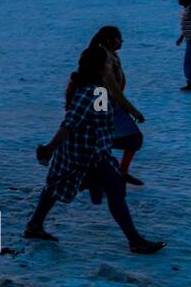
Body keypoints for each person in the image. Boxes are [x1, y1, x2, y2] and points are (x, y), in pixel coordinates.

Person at [25, 46, 165, 255]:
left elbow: (100, 121)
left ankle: (35, 225)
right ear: (100, 67)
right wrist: (49, 148)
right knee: (114, 189)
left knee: (57, 185)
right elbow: (69, 124)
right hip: (84, 153)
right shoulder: (89, 92)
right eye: (109, 63)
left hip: (91, 151)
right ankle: (135, 241)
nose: (112, 65)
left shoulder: (98, 91)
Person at [89, 26, 145, 185]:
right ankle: (112, 172)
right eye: (119, 38)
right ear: (109, 40)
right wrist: (132, 110)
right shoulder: (105, 58)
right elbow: (111, 88)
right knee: (126, 138)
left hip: (112, 103)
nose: (122, 41)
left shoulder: (112, 56)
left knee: (110, 139)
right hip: (104, 101)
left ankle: (119, 172)